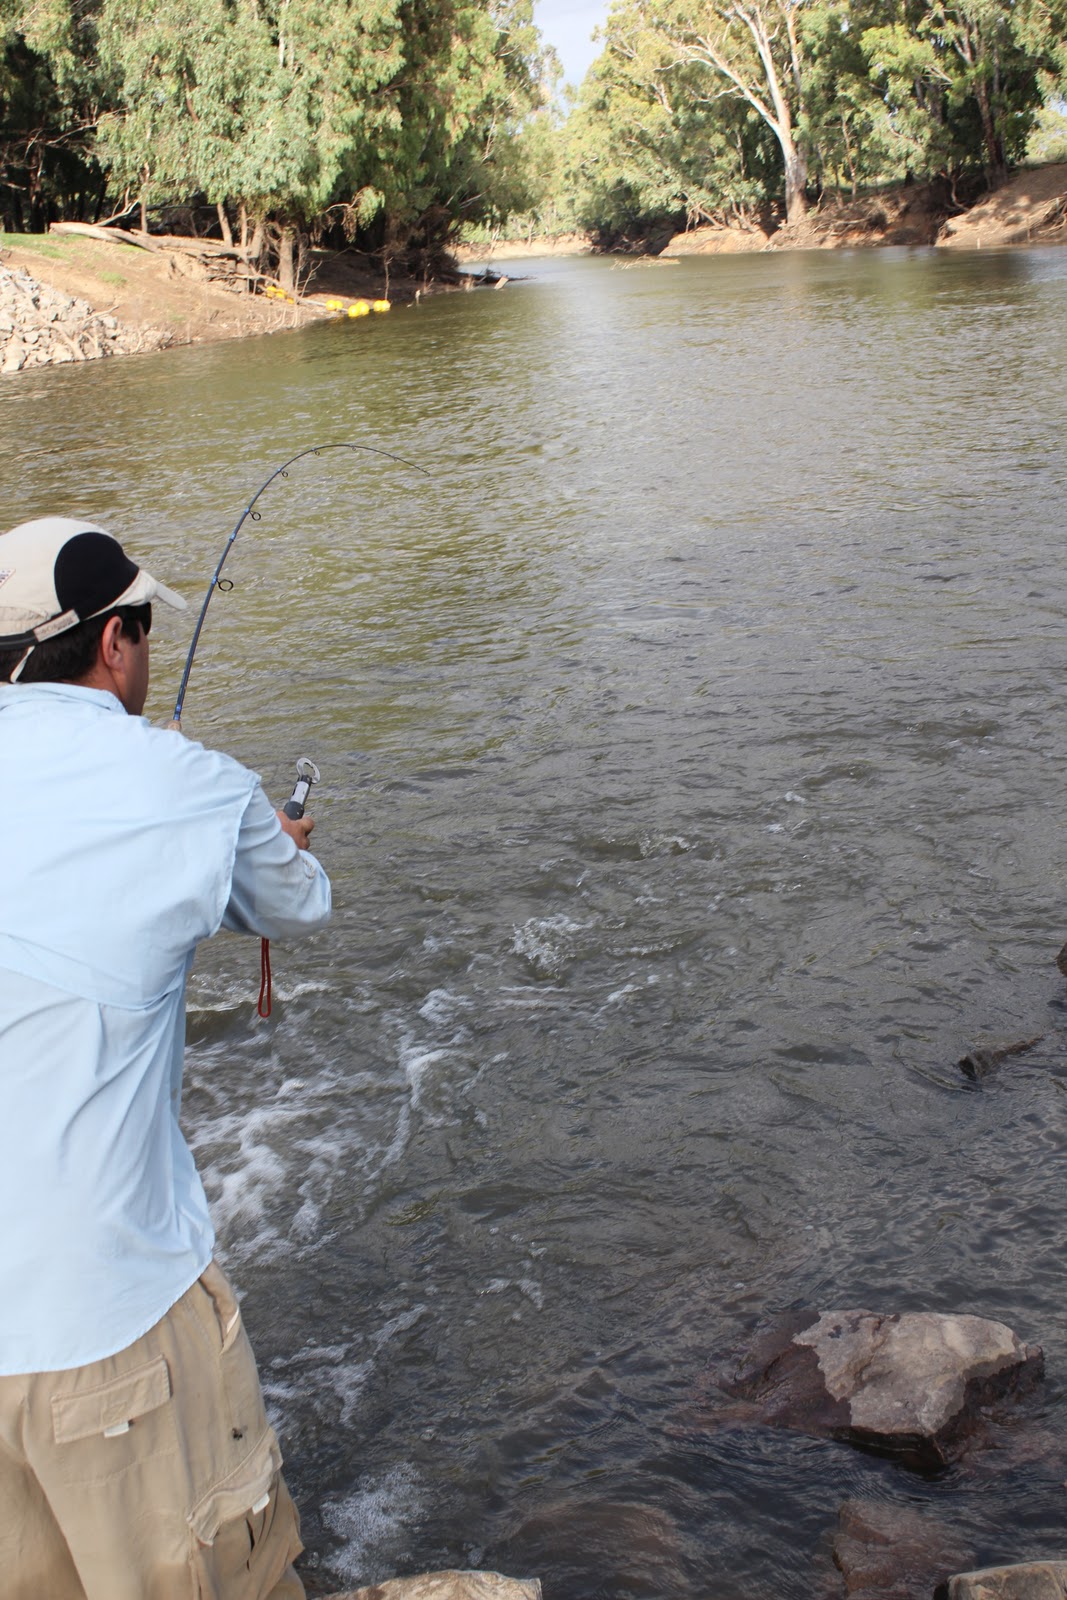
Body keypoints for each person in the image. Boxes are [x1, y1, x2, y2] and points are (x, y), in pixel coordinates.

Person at [0, 516, 331, 1600]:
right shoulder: (192, 783)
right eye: (142, 627)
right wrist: (266, 833)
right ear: (114, 644)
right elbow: (296, 901)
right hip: (103, 1322)